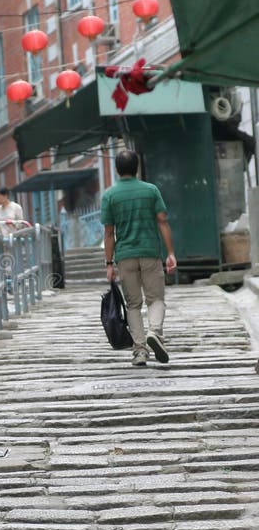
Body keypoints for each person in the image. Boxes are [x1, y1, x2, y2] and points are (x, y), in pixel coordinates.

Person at [101, 148, 177, 367]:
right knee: (156, 299)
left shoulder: (109, 195)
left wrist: (109, 263)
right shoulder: (151, 190)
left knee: (133, 304)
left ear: (116, 170)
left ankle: (140, 351)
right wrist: (170, 253)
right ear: (137, 168)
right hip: (150, 253)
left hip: (125, 257)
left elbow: (108, 233)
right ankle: (155, 332)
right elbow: (162, 221)